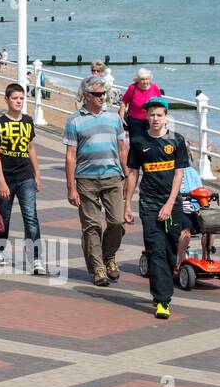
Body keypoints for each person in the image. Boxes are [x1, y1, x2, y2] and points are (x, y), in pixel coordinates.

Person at [124, 97, 188, 319]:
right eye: (151, 115)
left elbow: (179, 174)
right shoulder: (139, 141)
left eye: (159, 115)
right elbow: (132, 173)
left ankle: (162, 289)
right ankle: (162, 300)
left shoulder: (177, 141)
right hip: (148, 203)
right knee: (155, 249)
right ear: (146, 116)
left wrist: (170, 204)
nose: (154, 119)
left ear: (165, 117)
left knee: (170, 249)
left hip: (172, 203)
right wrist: (127, 205)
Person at [64, 74, 130, 287]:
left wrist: (128, 175)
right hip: (86, 179)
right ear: (86, 95)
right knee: (91, 226)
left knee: (116, 222)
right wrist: (71, 188)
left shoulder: (114, 119)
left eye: (104, 94)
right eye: (97, 94)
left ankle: (108, 255)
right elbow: (70, 155)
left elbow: (122, 149)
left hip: (112, 177)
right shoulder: (74, 120)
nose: (102, 97)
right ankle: (98, 267)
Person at [0, 83, 44, 274]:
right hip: (6, 177)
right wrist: (1, 181)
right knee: (3, 216)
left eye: (21, 98)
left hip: (25, 176)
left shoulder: (28, 121)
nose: (19, 101)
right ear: (6, 99)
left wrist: (37, 174)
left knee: (31, 217)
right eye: (15, 98)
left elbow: (31, 148)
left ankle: (36, 258)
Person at [120, 67, 163, 144]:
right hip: (134, 121)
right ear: (138, 80)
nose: (145, 81)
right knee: (135, 143)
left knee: (150, 142)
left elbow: (161, 104)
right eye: (142, 79)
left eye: (147, 79)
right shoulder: (132, 88)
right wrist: (121, 116)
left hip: (150, 120)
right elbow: (124, 101)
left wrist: (163, 118)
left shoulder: (154, 87)